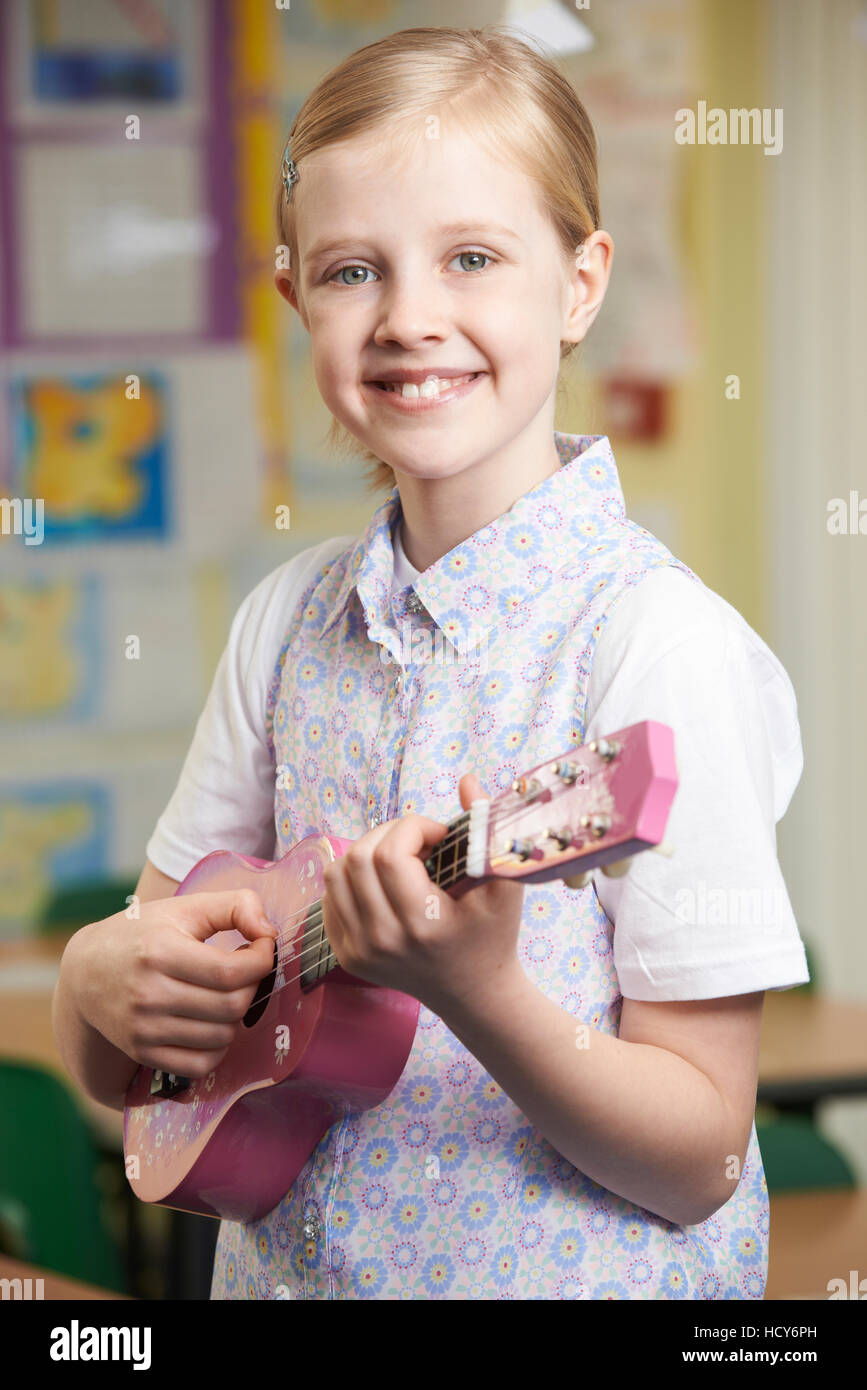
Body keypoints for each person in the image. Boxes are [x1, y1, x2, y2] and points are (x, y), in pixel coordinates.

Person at [53, 25, 809, 1300]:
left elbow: (704, 1156)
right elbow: (147, 1071)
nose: (412, 318)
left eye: (472, 256)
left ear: (579, 283)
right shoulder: (284, 625)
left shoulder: (656, 646)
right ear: (297, 298)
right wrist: (92, 978)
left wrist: (481, 989)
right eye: (354, 270)